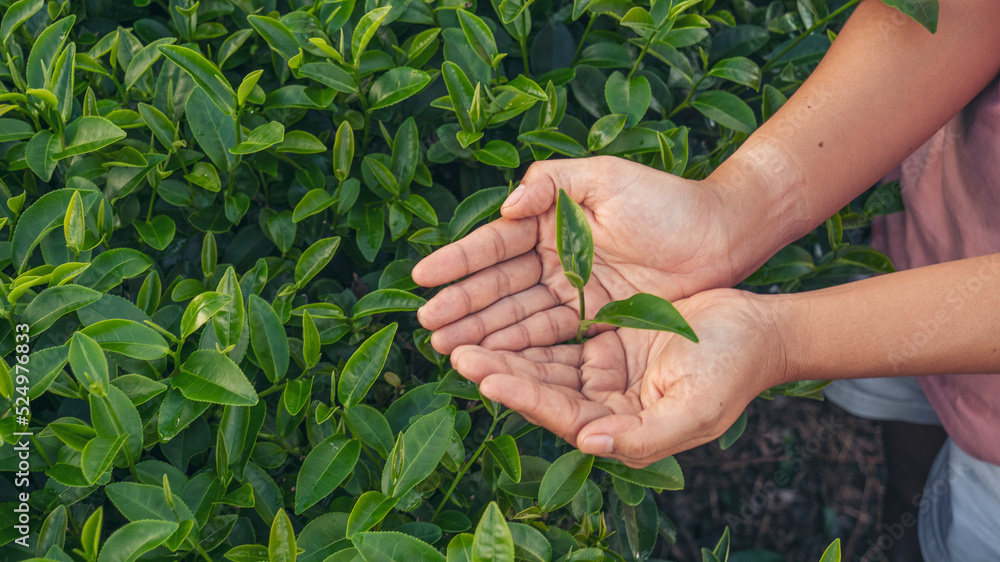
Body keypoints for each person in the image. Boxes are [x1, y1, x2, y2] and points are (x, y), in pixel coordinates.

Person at [412, 0, 1000, 559]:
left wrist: (779, 340)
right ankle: (904, 520)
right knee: (920, 428)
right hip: (940, 235)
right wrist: (732, 211)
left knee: (968, 517)